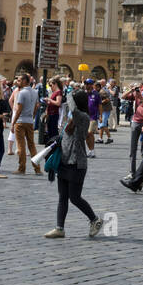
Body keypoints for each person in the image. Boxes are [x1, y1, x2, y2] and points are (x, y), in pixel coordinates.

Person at [44, 89, 104, 238]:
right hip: (64, 161)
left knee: (75, 197)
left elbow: (72, 106)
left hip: (77, 164)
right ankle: (59, 228)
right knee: (62, 196)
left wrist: (67, 89)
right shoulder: (71, 117)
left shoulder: (83, 117)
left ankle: (95, 220)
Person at [11, 74, 41, 176]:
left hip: (20, 121)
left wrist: (13, 122)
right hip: (29, 121)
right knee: (32, 145)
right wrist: (32, 116)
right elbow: (37, 106)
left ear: (25, 81)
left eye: (19, 80)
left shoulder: (22, 93)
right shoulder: (35, 92)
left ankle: (21, 168)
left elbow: (19, 110)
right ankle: (37, 168)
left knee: (21, 146)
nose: (17, 82)